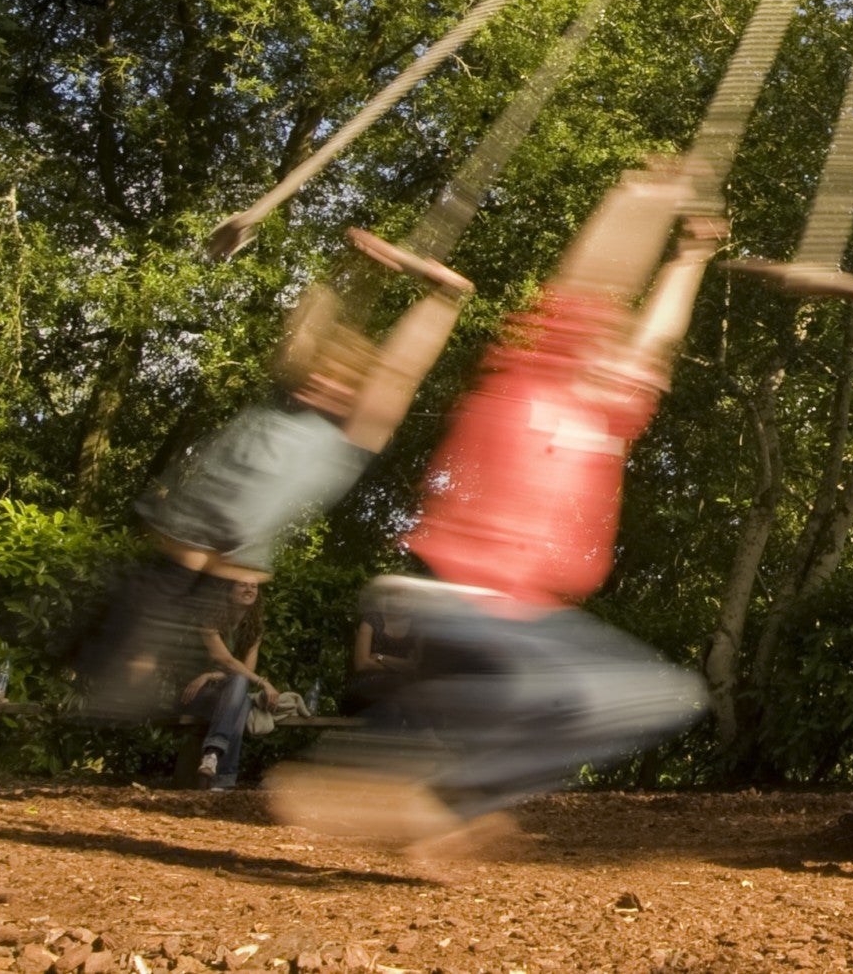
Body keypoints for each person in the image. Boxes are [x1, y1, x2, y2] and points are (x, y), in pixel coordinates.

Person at [272, 158, 722, 846]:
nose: (635, 361)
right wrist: (637, 203)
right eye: (613, 346)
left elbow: (655, 339)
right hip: (461, 602)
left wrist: (690, 260)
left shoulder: (612, 418)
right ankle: (408, 782)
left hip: (523, 626)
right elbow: (592, 284)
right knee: (597, 691)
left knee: (658, 694)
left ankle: (424, 797)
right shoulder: (539, 376)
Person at [74, 230, 470, 721]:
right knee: (140, 609)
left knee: (177, 606)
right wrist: (344, 268)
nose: (321, 380)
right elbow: (303, 331)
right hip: (194, 524)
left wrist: (442, 296)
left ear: (356, 390)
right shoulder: (288, 395)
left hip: (234, 544)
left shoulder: (359, 428)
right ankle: (120, 666)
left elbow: (402, 369)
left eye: (338, 378)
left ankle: (142, 674)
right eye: (319, 371)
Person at [187, 580, 280, 790]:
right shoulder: (209, 619)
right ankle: (224, 778)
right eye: (242, 585)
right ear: (229, 590)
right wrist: (263, 682)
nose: (249, 589)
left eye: (254, 586)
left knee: (240, 695)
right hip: (196, 692)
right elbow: (226, 660)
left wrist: (211, 674)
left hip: (228, 693)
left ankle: (212, 757)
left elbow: (245, 671)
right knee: (240, 698)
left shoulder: (255, 628)